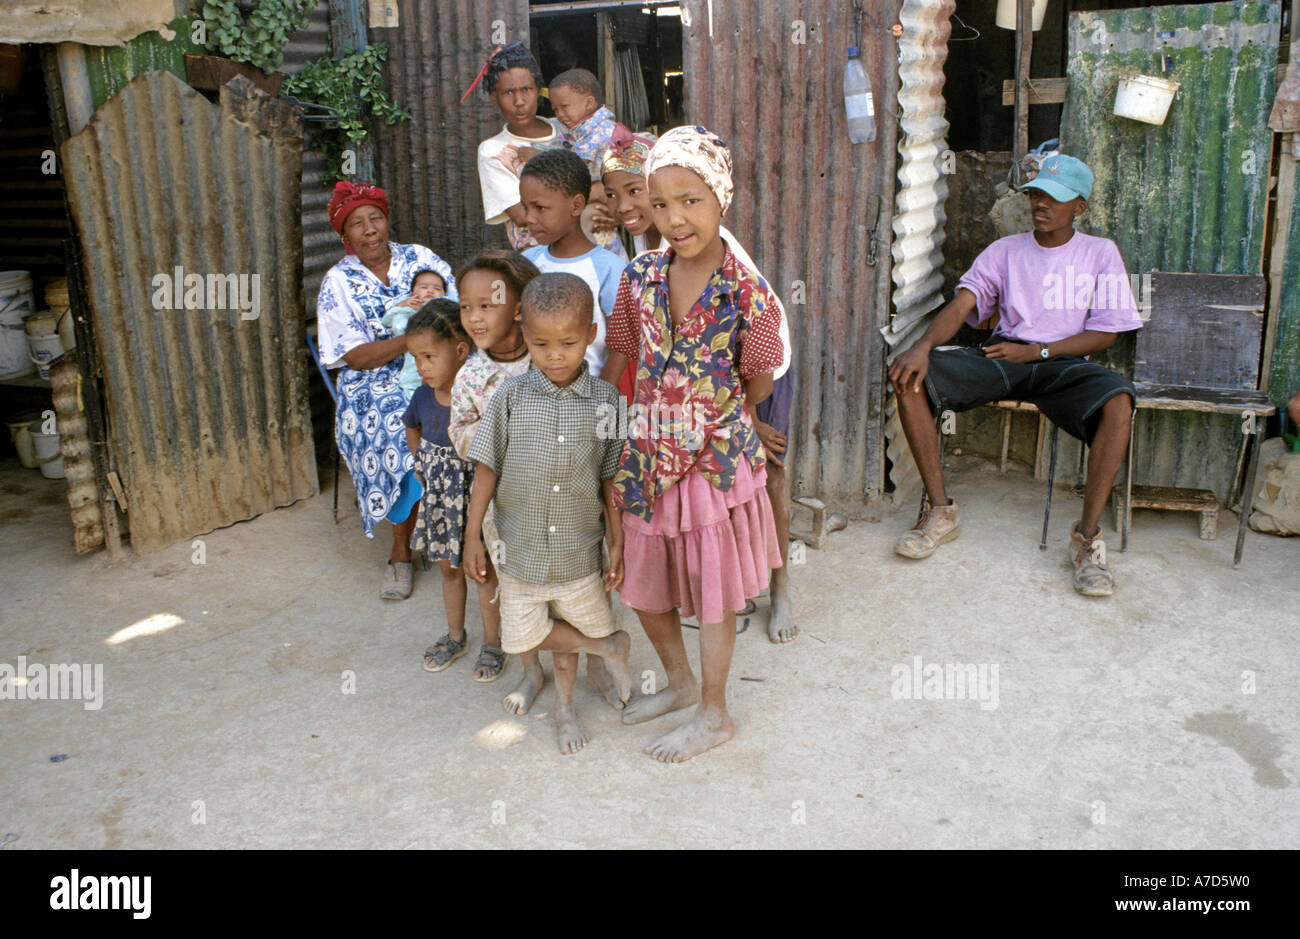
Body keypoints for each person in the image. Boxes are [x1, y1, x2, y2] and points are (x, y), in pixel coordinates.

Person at [605, 126, 786, 763]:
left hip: (713, 462)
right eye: (659, 204)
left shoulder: (749, 293)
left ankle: (714, 713)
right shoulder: (639, 277)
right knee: (644, 579)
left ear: (721, 200)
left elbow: (759, 383)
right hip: (648, 454)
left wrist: (704, 410)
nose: (674, 219)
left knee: (711, 589)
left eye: (690, 200)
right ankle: (680, 684)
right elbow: (625, 355)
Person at [887, 154, 1142, 597]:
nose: (1041, 204)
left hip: (1062, 363)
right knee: (909, 376)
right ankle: (941, 510)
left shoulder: (1100, 253)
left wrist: (1039, 351)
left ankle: (1086, 540)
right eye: (1037, 194)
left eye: (1054, 198)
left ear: (1079, 207)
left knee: (1119, 399)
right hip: (1004, 355)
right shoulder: (1005, 251)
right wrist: (922, 347)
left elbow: (1106, 335)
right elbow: (963, 305)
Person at [463, 273, 633, 755]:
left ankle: (564, 709)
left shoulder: (607, 402)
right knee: (523, 635)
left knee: (571, 634)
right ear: (523, 335)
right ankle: (602, 652)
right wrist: (472, 535)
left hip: (579, 546)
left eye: (568, 342)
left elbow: (609, 478)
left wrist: (616, 541)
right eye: (540, 344)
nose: (555, 354)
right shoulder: (510, 397)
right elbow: (486, 469)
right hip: (519, 548)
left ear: (591, 336)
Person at [315, 181, 456, 600]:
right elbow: (355, 356)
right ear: (345, 236)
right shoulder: (337, 281)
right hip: (372, 381)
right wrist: (413, 339)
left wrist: (430, 346)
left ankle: (461, 527)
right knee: (400, 428)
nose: (370, 229)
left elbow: (456, 307)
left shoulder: (420, 258)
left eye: (375, 218)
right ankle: (400, 551)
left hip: (439, 364)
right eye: (357, 224)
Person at [446, 249, 540, 682]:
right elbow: (461, 432)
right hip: (498, 506)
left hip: (554, 500)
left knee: (559, 578)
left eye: (487, 305)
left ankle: (577, 652)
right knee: (494, 576)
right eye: (466, 306)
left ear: (519, 310)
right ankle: (499, 646)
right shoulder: (469, 376)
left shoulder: (547, 359)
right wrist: (499, 441)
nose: (474, 317)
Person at [399, 300, 496, 674]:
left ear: (459, 351)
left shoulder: (476, 396)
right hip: (440, 499)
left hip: (476, 499)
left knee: (482, 570)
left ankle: (493, 644)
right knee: (449, 570)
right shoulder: (422, 397)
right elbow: (412, 426)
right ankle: (455, 636)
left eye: (428, 356)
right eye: (415, 359)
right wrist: (420, 461)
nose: (421, 367)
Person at [518, 149, 624, 376]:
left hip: (589, 398)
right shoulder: (526, 263)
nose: (529, 218)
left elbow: (622, 345)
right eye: (526, 208)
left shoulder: (609, 268)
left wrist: (604, 392)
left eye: (540, 208)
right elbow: (501, 303)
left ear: (576, 206)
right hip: (535, 399)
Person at [474, 43, 564, 251]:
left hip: (597, 246)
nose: (519, 101)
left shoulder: (567, 130)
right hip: (538, 260)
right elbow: (523, 216)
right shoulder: (493, 151)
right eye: (508, 93)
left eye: (526, 89)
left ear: (538, 90)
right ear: (494, 97)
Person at [548, 68, 627, 260]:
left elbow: (574, 168)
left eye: (564, 106)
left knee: (599, 230)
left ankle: (617, 272)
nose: (559, 114)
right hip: (595, 198)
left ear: (589, 103)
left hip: (604, 201)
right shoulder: (580, 130)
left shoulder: (600, 131)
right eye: (555, 109)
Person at [381, 269, 449, 399]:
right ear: (412, 293)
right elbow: (394, 325)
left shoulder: (446, 305)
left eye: (437, 288)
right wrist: (403, 307)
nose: (430, 291)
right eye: (424, 287)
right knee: (415, 391)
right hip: (415, 366)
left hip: (444, 361)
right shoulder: (408, 308)